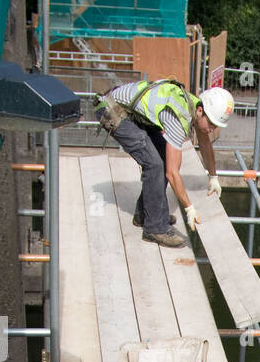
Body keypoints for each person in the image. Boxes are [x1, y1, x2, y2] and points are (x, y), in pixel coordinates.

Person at [96, 79, 233, 247]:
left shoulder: (193, 104)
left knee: (163, 158)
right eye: (211, 123)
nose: (212, 129)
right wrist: (189, 208)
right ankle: (155, 228)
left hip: (130, 112)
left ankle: (146, 215)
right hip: (113, 111)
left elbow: (205, 142)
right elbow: (172, 173)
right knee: (155, 164)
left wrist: (213, 176)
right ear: (200, 111)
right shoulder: (179, 115)